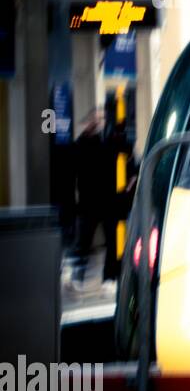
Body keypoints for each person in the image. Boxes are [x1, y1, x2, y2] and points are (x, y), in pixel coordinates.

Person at [71, 109, 116, 284]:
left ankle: (109, 278)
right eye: (95, 119)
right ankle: (77, 277)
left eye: (102, 119)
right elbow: (74, 172)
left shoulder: (106, 141)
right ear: (88, 121)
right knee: (84, 242)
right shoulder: (81, 144)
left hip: (107, 201)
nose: (98, 122)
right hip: (88, 202)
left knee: (112, 241)